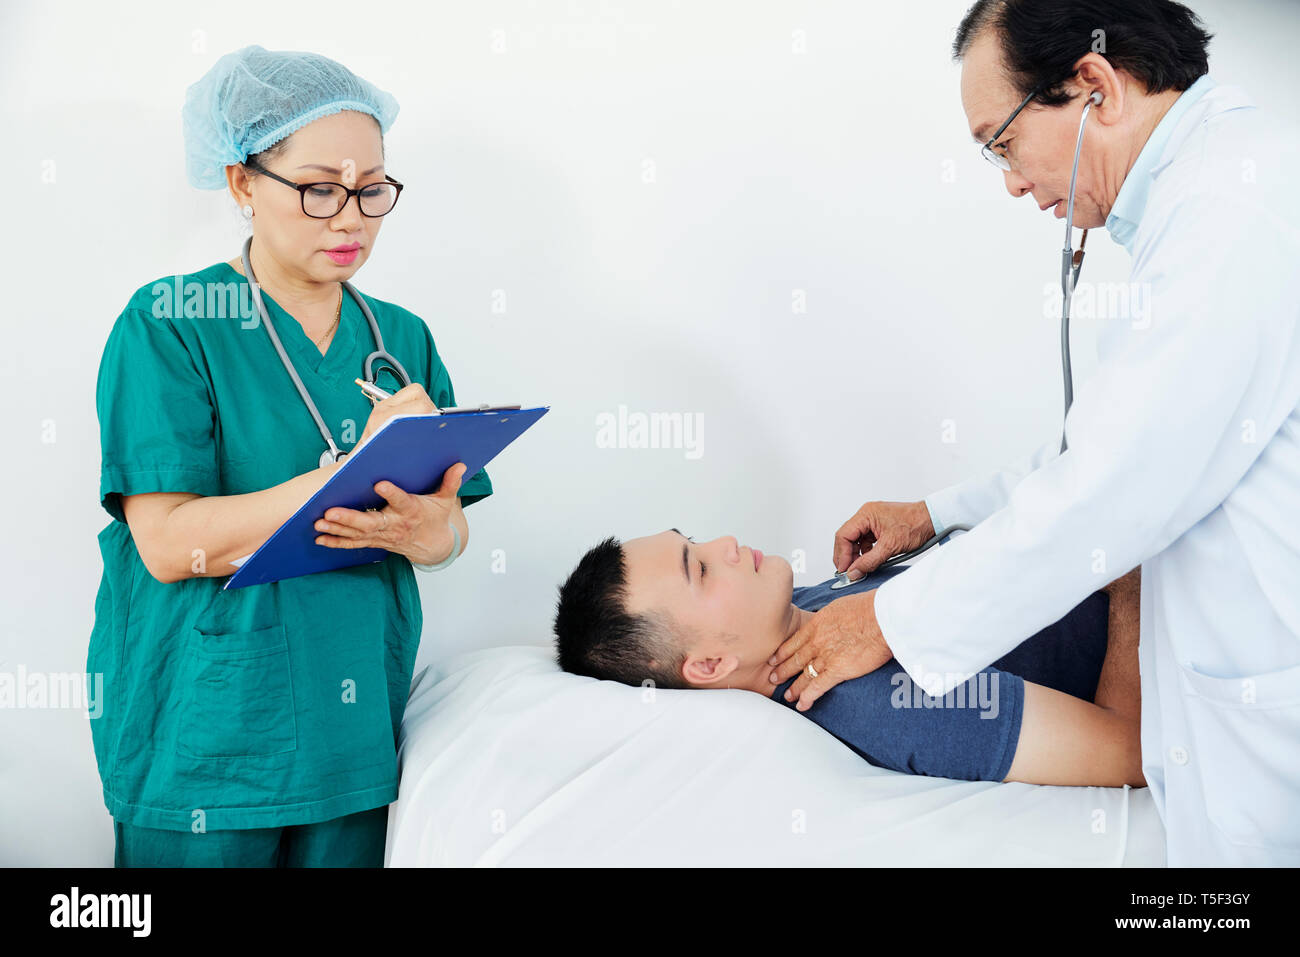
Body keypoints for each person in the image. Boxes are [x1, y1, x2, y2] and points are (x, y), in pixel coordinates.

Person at [768, 0, 1300, 865]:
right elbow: (1112, 455)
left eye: (1002, 143)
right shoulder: (1211, 202)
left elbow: (1113, 490)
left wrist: (892, 621)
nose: (1011, 183)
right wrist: (935, 514)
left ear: (1094, 86)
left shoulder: (1234, 217)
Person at [89, 45, 492, 867]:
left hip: (354, 731)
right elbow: (168, 546)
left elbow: (449, 528)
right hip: (208, 732)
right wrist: (344, 476)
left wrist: (426, 536)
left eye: (372, 191)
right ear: (242, 184)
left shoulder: (401, 337)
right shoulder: (170, 324)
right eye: (318, 190)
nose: (350, 218)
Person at [553, 530, 1145, 787]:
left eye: (696, 538)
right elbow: (1134, 753)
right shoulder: (889, 705)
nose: (725, 544)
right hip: (1180, 613)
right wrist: (1132, 579)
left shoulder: (806, 609)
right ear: (708, 667)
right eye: (700, 569)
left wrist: (933, 523)